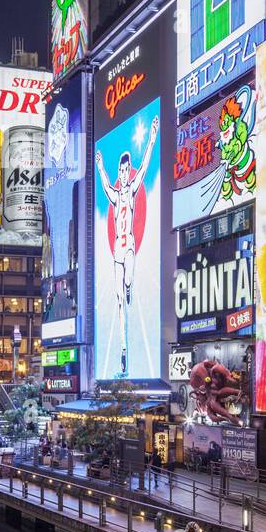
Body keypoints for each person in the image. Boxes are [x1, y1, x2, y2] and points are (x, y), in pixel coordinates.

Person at [95, 113, 159, 377]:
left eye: (124, 170)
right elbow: (103, 181)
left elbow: (145, 164)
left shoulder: (131, 190)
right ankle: (123, 349)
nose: (122, 174)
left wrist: (153, 135)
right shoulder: (113, 192)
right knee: (120, 300)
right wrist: (100, 165)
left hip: (129, 247)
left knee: (129, 282)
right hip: (116, 254)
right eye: (120, 171)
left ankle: (130, 287)